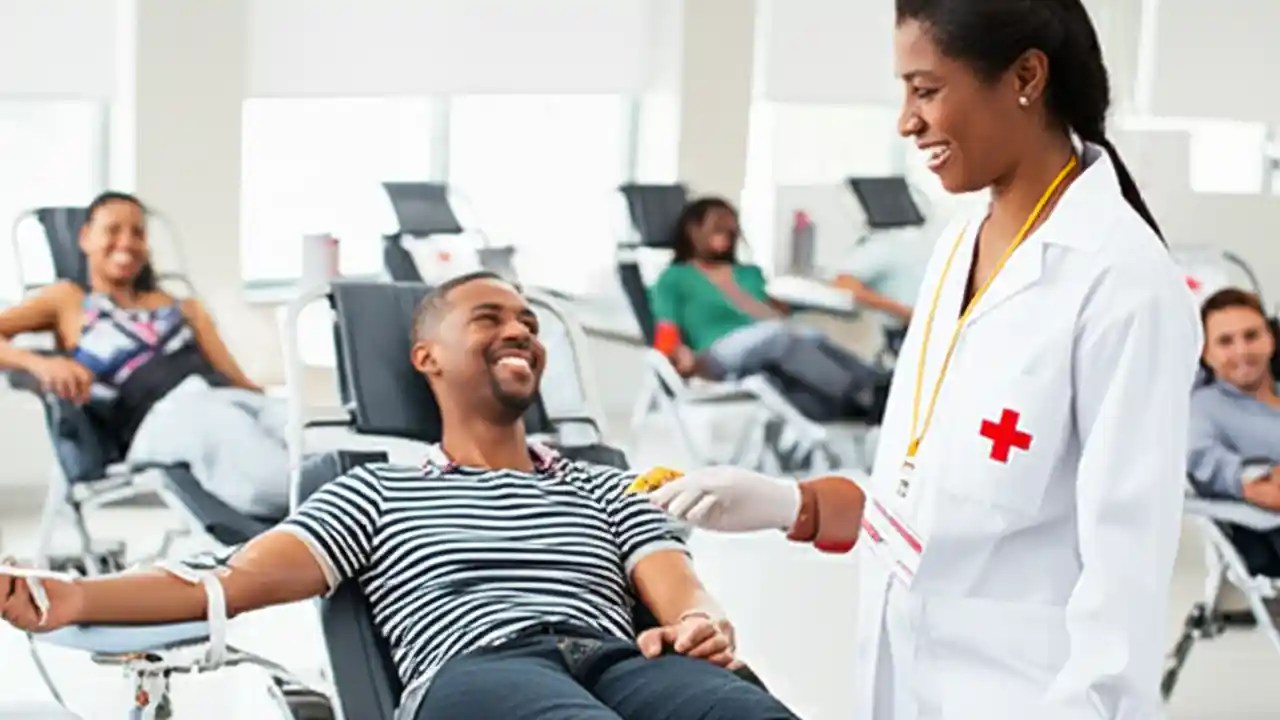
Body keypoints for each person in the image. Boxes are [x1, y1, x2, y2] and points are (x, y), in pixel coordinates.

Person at [648, 1, 1203, 718]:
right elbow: (925, 487)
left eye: (927, 89)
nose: (906, 121)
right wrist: (792, 504)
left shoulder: (1121, 280)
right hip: (907, 677)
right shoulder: (957, 248)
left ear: (1026, 75)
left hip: (1026, 696)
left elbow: (1123, 579)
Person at [0, 273, 798, 720]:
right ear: (426, 357)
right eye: (490, 319)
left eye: (528, 321)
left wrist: (698, 625)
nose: (520, 330)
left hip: (620, 662)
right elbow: (227, 581)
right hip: (481, 671)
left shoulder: (602, 486)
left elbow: (681, 590)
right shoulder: (373, 494)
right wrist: (64, 595)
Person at [0, 191, 289, 518]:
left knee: (295, 423)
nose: (126, 242)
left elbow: (238, 382)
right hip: (162, 418)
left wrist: (277, 405)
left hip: (223, 400)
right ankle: (303, 511)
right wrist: (40, 363)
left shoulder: (184, 307)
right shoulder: (67, 299)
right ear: (85, 237)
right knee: (256, 464)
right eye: (113, 230)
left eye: (138, 232)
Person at [649, 197, 889, 422]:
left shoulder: (749, 273)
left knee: (811, 336)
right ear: (693, 231)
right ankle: (859, 392)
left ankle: (879, 385)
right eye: (716, 228)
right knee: (779, 335)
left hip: (765, 344)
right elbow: (666, 328)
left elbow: (775, 312)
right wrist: (677, 356)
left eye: (730, 229)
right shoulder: (675, 277)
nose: (725, 235)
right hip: (715, 353)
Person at [1189, 288, 1280, 574]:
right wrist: (1257, 481)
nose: (1242, 351)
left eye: (1251, 336)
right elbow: (1254, 486)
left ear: (1271, 338)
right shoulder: (1202, 410)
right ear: (1206, 353)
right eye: (1225, 341)